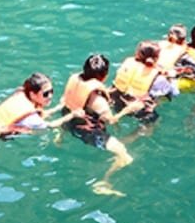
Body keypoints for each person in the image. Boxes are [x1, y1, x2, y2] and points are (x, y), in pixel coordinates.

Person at [60, 54, 142, 196]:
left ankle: (59, 136)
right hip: (86, 132)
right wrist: (128, 109)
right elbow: (111, 120)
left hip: (67, 121)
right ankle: (104, 182)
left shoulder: (75, 79)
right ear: (104, 75)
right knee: (125, 156)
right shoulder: (98, 99)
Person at [0, 73, 79, 141]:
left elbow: (39, 114)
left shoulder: (22, 96)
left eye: (52, 91)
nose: (50, 96)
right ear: (33, 94)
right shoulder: (31, 118)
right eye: (46, 94)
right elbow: (50, 125)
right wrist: (72, 115)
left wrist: (58, 107)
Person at [110, 41, 179, 123]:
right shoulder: (157, 78)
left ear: (137, 53)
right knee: (154, 120)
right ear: (156, 58)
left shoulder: (128, 62)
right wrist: (171, 78)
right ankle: (132, 136)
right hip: (138, 111)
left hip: (115, 103)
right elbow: (175, 93)